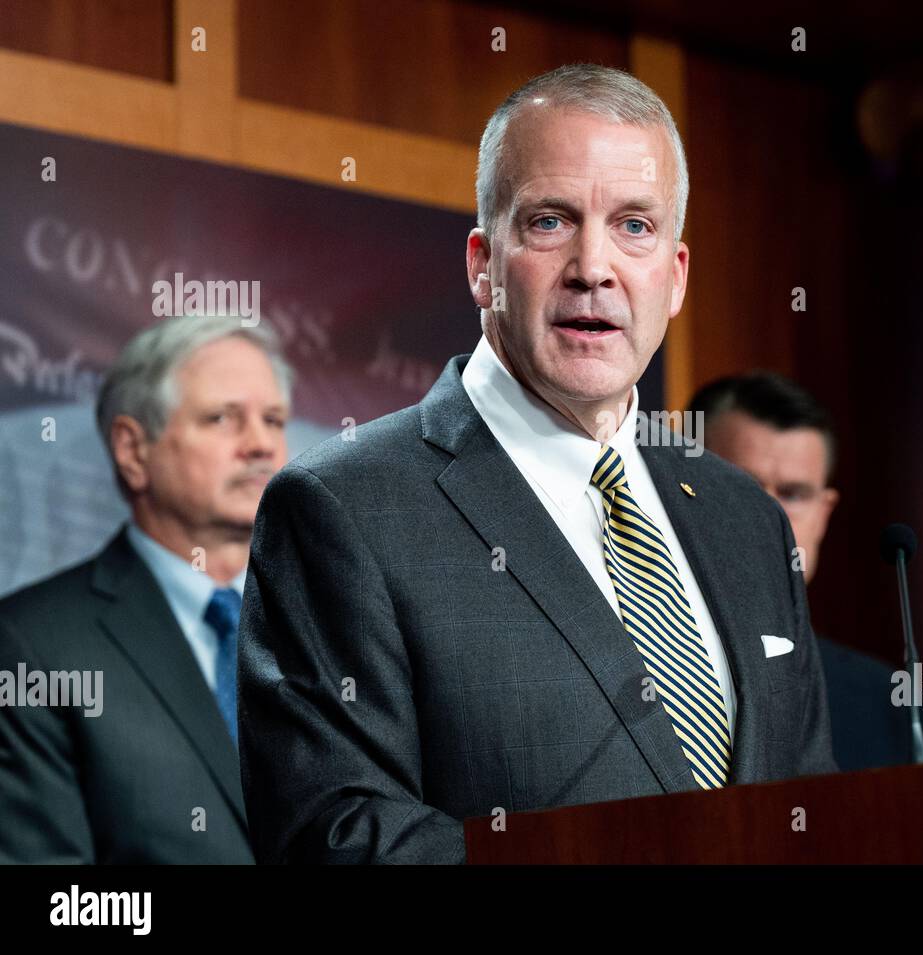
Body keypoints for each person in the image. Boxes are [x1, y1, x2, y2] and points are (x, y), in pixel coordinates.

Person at [238, 63, 838, 865]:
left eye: (635, 226)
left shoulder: (745, 518)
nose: (596, 267)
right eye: (551, 222)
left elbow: (814, 805)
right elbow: (341, 836)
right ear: (483, 263)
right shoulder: (343, 508)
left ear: (676, 275)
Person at [0, 314, 292, 862]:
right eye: (223, 418)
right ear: (134, 450)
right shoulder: (30, 649)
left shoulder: (337, 628)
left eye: (274, 420)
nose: (261, 445)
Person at [691, 371, 923, 769]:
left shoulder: (901, 712)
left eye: (793, 494)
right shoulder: (630, 674)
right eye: (741, 484)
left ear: (824, 513)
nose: (771, 516)